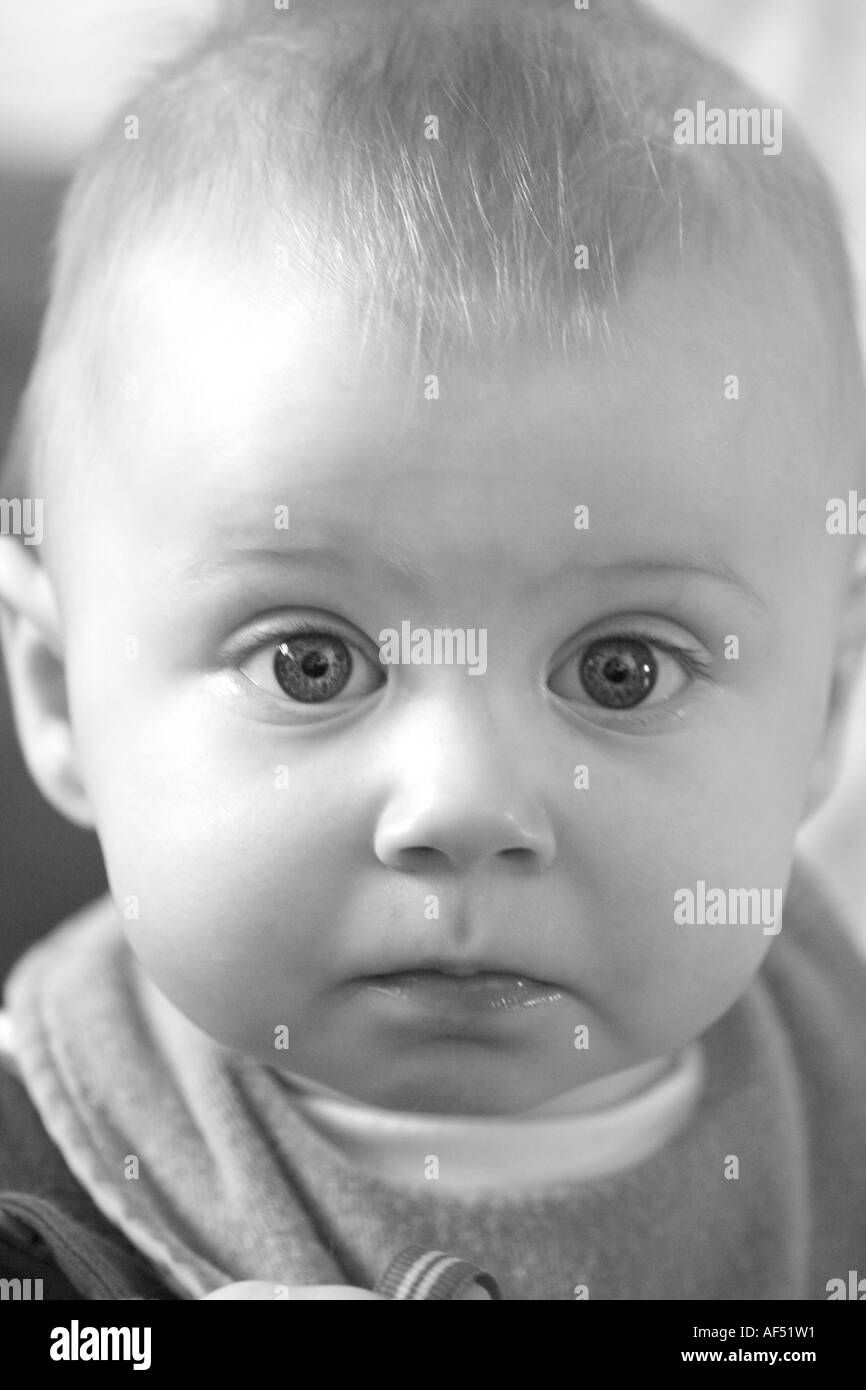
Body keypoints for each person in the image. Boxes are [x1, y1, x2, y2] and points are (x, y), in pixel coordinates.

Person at [0, 0, 864, 1300]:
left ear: (824, 713)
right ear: (60, 695)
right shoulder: (40, 1179)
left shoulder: (836, 1080)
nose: (463, 807)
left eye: (620, 667)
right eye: (310, 662)